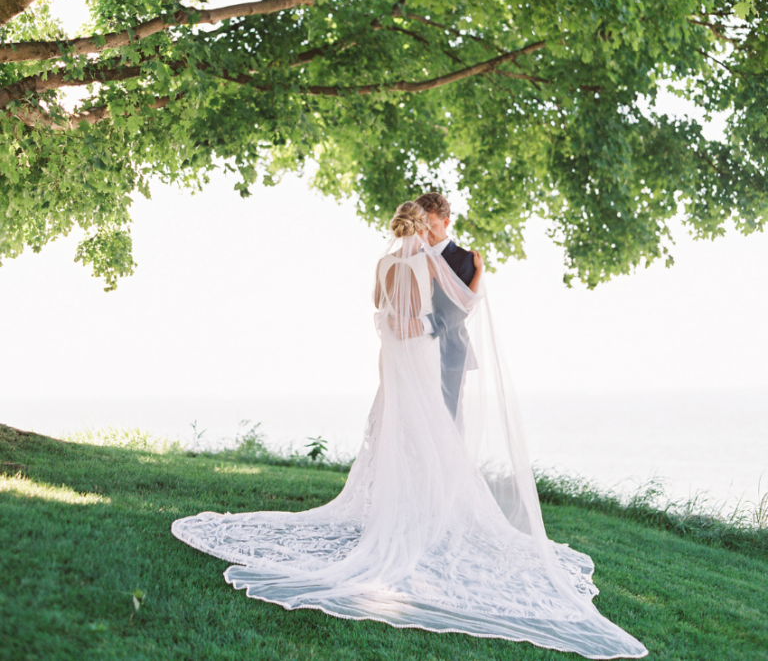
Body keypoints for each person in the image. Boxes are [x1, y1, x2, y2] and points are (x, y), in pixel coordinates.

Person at [171, 201, 647, 659]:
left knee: (398, 425)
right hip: (418, 347)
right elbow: (445, 305)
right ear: (423, 226)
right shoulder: (425, 264)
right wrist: (475, 279)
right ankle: (428, 509)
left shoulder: (382, 265)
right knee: (431, 431)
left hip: (393, 354)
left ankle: (411, 502)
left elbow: (379, 305)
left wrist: (402, 317)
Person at [415, 192, 479, 419]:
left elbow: (460, 311)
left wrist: (420, 326)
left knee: (450, 419)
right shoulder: (414, 257)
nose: (427, 233)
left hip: (451, 351)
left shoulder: (464, 260)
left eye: (432, 225)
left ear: (445, 222)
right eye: (422, 226)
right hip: (417, 351)